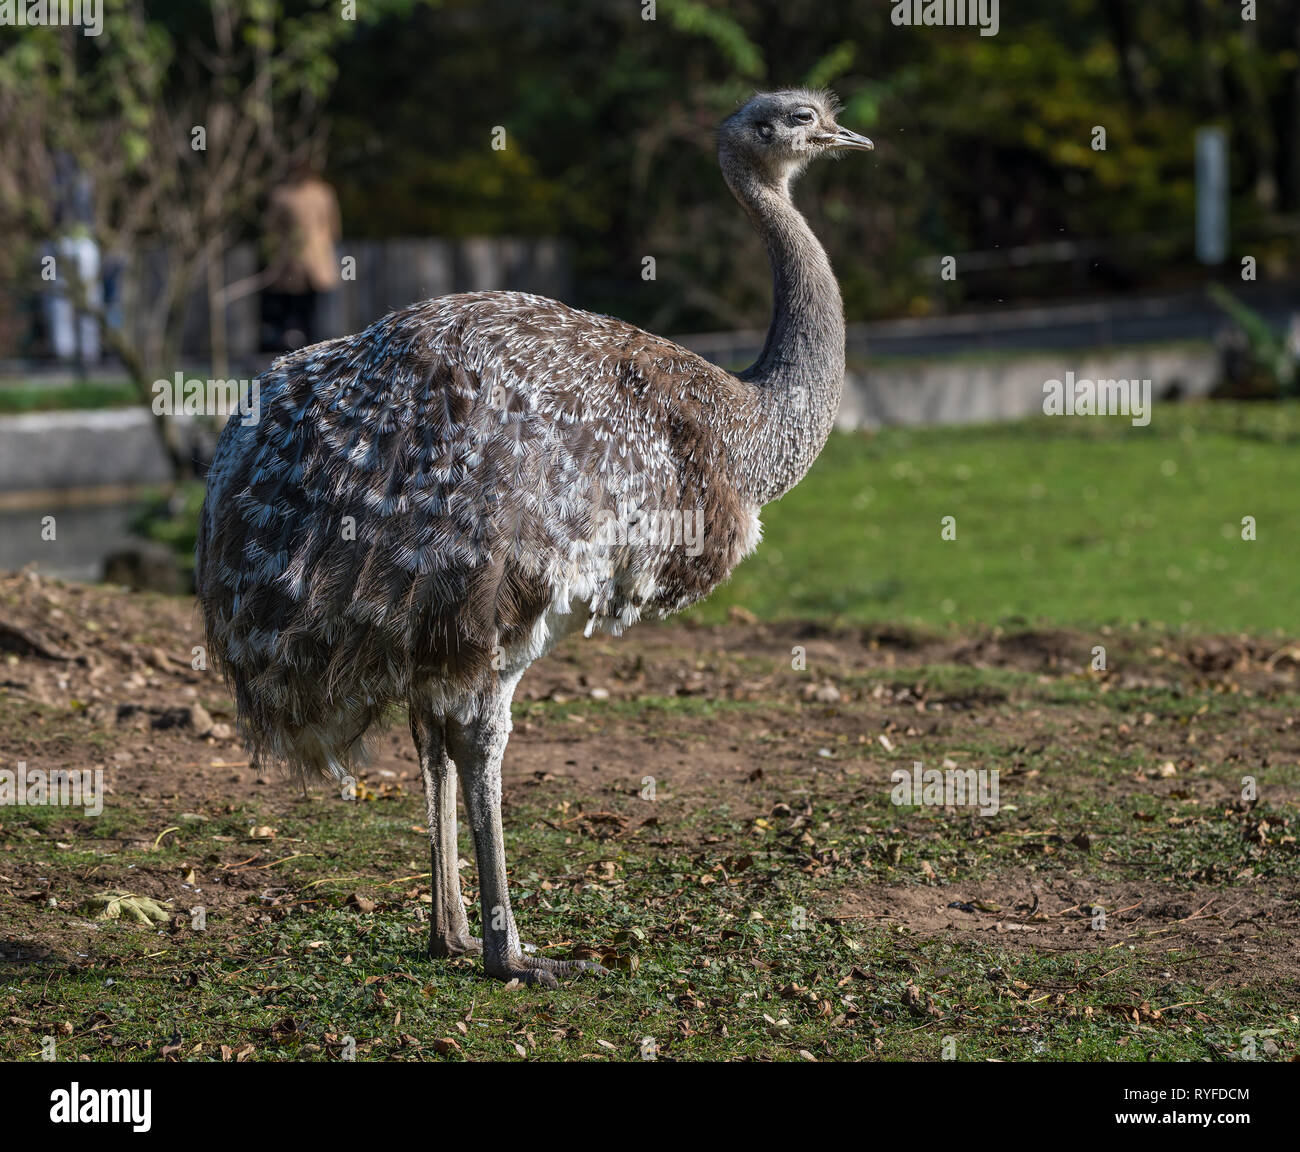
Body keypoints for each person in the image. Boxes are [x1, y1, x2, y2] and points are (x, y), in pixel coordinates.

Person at [261, 159, 341, 352]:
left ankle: (299, 342)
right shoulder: (321, 193)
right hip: (307, 257)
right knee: (303, 305)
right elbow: (334, 228)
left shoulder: (284, 195)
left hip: (297, 257)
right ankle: (307, 343)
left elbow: (270, 229)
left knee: (296, 306)